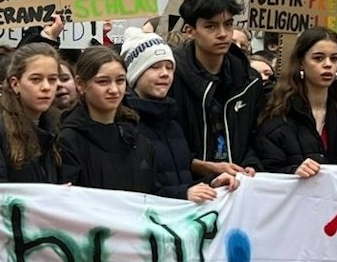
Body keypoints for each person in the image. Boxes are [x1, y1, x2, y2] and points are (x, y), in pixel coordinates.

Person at [61, 46, 222, 200]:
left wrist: (211, 185)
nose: (114, 90)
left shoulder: (136, 138)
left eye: (120, 81)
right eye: (103, 82)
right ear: (81, 84)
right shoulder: (68, 141)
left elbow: (152, 194)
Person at [170, 0, 264, 181]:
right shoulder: (171, 78)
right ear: (190, 31)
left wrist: (251, 164)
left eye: (228, 24)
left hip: (237, 188)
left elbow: (260, 135)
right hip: (191, 190)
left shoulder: (250, 80)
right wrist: (200, 166)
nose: (222, 34)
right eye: (211, 26)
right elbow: (161, 143)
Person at [250, 27, 337, 178]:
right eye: (318, 58)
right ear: (301, 62)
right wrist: (294, 172)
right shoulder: (278, 112)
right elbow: (266, 171)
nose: (328, 64)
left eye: (334, 58)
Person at [121, 28, 206, 198]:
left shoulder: (172, 123)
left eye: (169, 67)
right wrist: (183, 193)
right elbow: (137, 192)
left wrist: (213, 182)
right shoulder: (125, 125)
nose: (165, 74)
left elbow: (180, 179)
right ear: (135, 74)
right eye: (155, 67)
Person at [0, 40, 65, 185]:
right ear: (15, 84)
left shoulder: (58, 128)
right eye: (36, 79)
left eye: (52, 79)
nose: (46, 87)